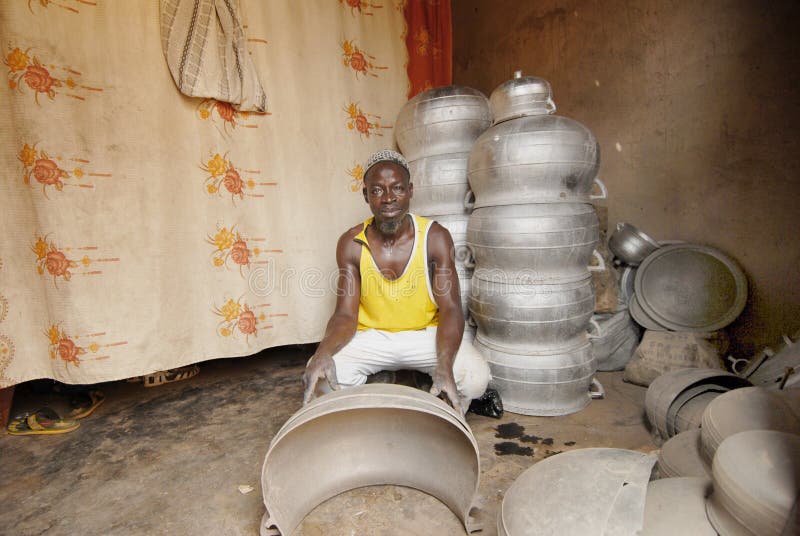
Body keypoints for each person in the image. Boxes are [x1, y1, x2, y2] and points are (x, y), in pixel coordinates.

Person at [302, 149, 490, 414]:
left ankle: (431, 389)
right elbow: (345, 314)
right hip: (371, 337)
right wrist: (322, 352)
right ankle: (388, 384)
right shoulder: (351, 243)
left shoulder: (435, 237)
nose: (388, 198)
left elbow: (450, 308)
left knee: (475, 380)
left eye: (397, 188)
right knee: (321, 378)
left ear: (411, 190)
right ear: (366, 194)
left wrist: (445, 363)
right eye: (377, 190)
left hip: (424, 335)